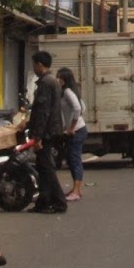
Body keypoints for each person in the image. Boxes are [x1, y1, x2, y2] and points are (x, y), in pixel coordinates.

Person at [26, 51, 68, 214]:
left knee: (46, 167)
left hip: (46, 132)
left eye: (34, 64)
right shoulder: (53, 81)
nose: (33, 68)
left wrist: (37, 137)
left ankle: (59, 201)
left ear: (39, 64)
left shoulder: (46, 83)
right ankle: (43, 202)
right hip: (51, 130)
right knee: (43, 168)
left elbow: (43, 112)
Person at [56, 67, 87, 203]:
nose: (57, 80)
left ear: (64, 79)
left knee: (74, 160)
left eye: (59, 77)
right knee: (71, 159)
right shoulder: (68, 91)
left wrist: (72, 126)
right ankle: (77, 190)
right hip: (75, 130)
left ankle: (76, 190)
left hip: (77, 131)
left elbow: (78, 108)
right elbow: (83, 107)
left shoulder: (68, 91)